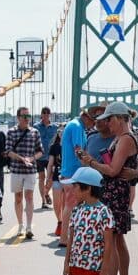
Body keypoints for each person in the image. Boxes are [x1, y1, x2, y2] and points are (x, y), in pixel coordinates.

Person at [79, 102, 138, 275]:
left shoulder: (123, 140)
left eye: (109, 119)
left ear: (119, 118)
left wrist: (91, 162)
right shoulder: (128, 137)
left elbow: (113, 170)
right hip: (118, 193)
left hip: (114, 193)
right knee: (118, 241)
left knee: (111, 244)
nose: (107, 124)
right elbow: (136, 164)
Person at [55, 105, 98, 251]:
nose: (93, 124)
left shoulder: (77, 125)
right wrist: (90, 166)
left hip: (72, 171)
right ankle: (64, 238)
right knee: (71, 203)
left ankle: (67, 235)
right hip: (74, 172)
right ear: (86, 117)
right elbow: (78, 150)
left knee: (70, 204)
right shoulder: (76, 126)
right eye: (93, 121)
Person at [4, 107, 43, 241]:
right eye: (24, 116)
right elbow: (8, 151)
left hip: (31, 170)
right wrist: (22, 159)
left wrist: (31, 159)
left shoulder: (35, 132)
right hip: (16, 170)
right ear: (18, 117)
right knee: (18, 198)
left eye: (29, 116)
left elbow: (40, 151)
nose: (27, 118)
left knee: (30, 197)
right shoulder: (11, 132)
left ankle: (28, 227)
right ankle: (20, 224)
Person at [35, 107, 60, 210]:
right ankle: (43, 201)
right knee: (41, 178)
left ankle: (46, 193)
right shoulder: (36, 126)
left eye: (47, 113)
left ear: (50, 114)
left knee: (50, 178)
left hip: (51, 156)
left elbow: (59, 140)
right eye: (44, 113)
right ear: (41, 114)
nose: (45, 114)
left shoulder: (55, 127)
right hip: (40, 156)